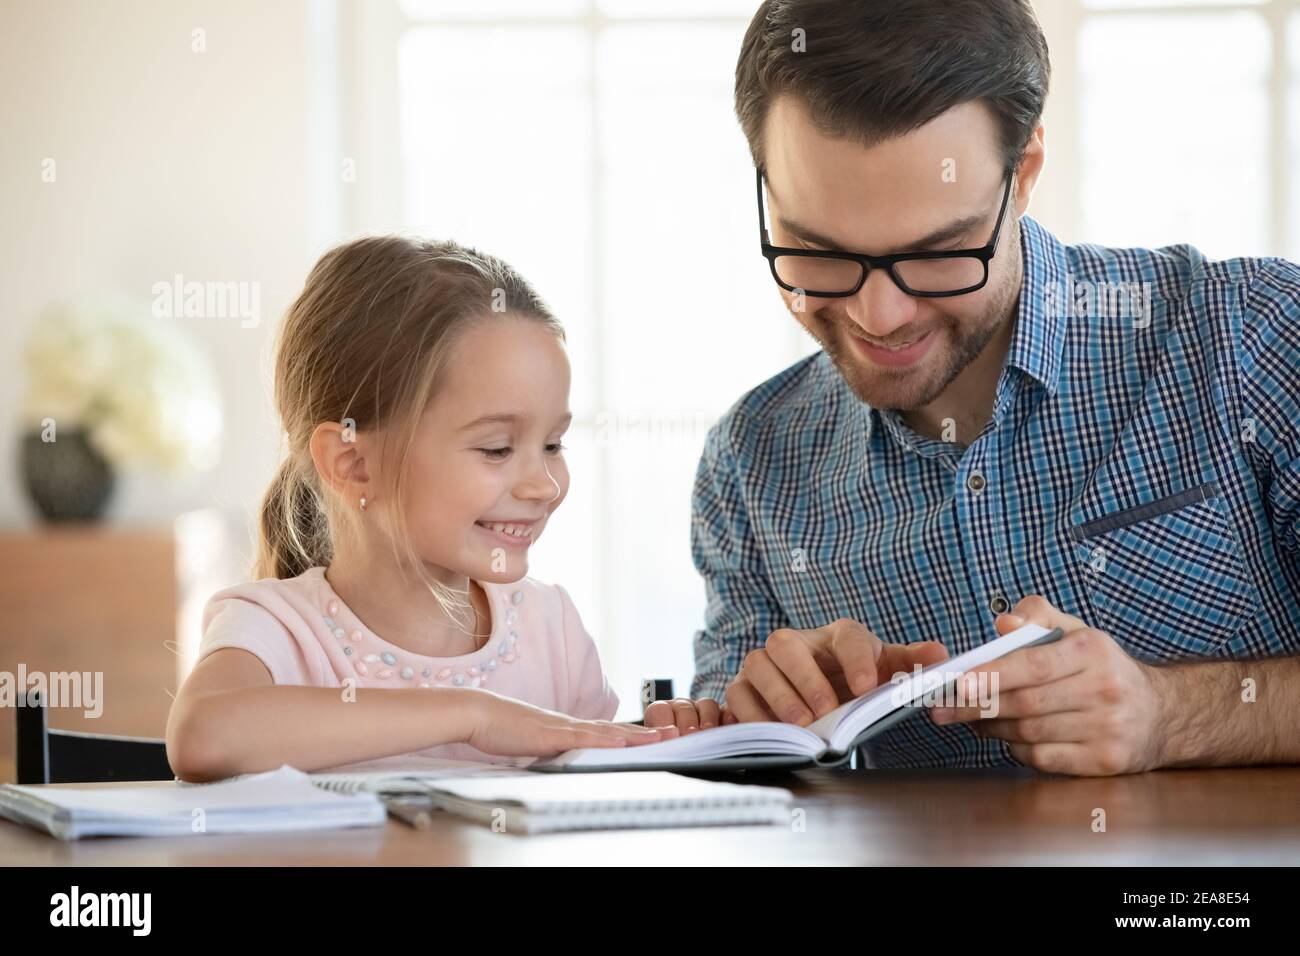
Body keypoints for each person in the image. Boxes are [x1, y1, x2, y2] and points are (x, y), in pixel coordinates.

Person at [663, 0, 1300, 776]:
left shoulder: (1250, 337)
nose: (879, 317)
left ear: (1024, 173)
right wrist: (773, 719)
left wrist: (1169, 714)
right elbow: (727, 773)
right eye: (817, 250)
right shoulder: (749, 462)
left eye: (936, 253)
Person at [166, 236, 688, 782]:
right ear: (353, 464)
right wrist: (473, 715)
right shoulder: (278, 629)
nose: (545, 485)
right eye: (497, 449)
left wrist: (671, 742)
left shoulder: (552, 632)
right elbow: (204, 738)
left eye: (553, 445)